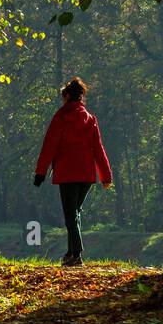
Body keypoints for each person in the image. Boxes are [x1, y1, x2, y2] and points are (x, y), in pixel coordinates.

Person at [33, 77, 113, 266]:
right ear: (81, 96)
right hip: (86, 175)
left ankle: (76, 253)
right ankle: (71, 252)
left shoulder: (61, 116)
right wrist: (106, 176)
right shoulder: (90, 119)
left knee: (71, 213)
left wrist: (40, 173)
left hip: (68, 173)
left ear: (67, 96)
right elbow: (98, 148)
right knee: (75, 212)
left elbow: (49, 145)